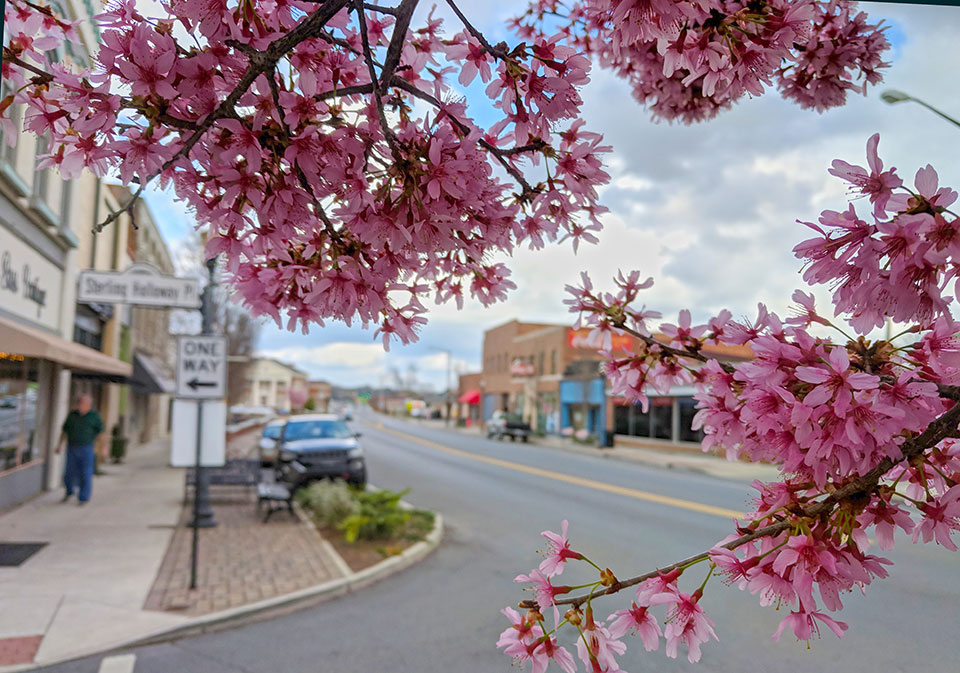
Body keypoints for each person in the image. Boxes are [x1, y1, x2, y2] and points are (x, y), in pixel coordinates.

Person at [57, 394, 104, 505]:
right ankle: (69, 492)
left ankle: (83, 497)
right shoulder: (72, 416)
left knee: (86, 473)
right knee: (68, 473)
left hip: (86, 448)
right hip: (72, 448)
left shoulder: (94, 417)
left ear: (88, 405)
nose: (80, 405)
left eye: (82, 403)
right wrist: (59, 445)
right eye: (79, 403)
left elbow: (101, 433)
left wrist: (104, 447)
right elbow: (64, 431)